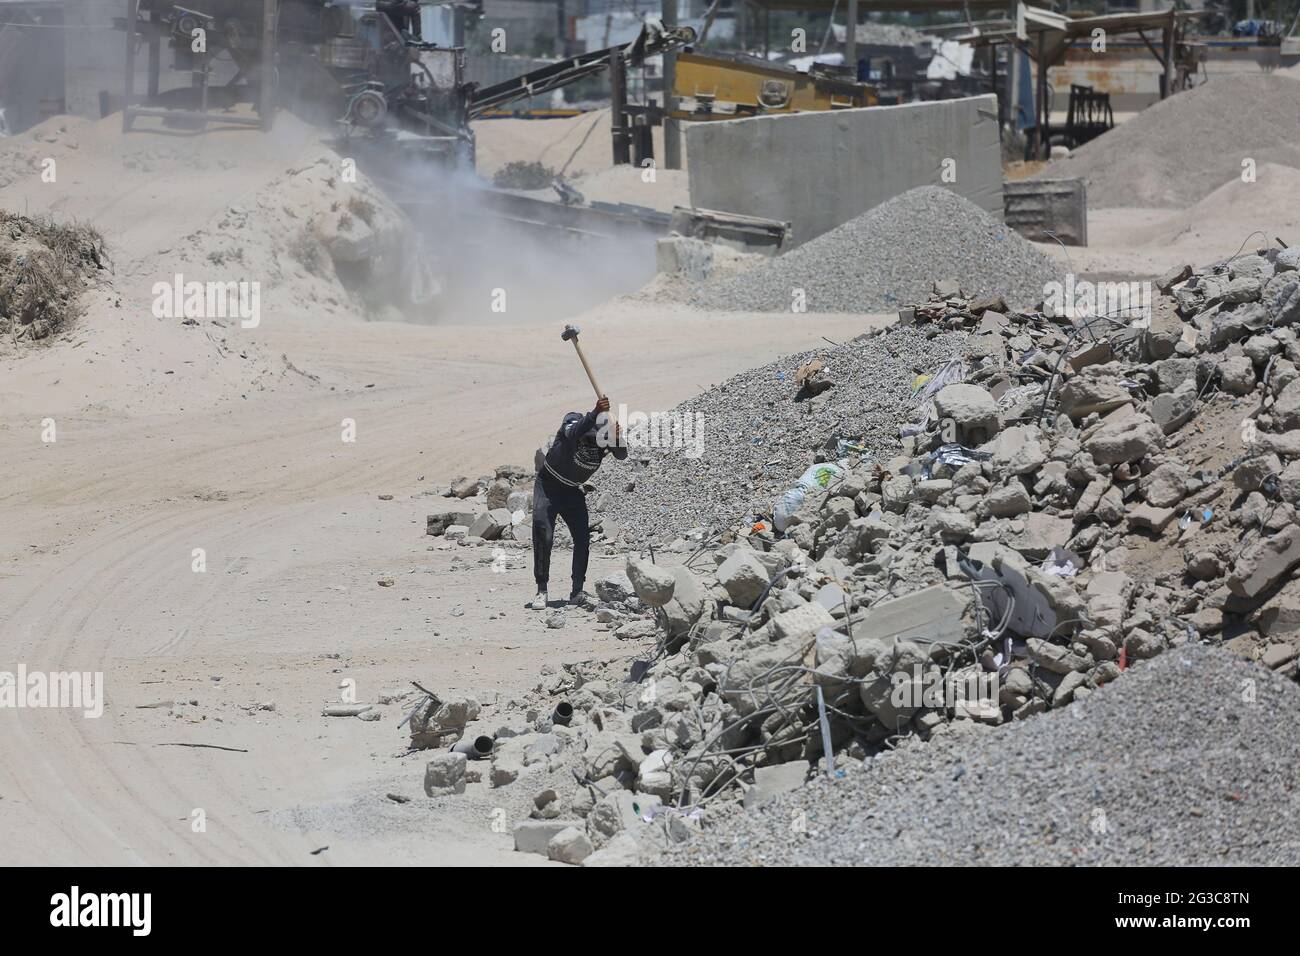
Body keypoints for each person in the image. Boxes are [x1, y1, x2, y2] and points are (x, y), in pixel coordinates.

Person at [530, 396, 626, 609]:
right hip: (549, 485)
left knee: (582, 539)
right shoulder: (574, 420)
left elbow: (622, 455)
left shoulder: (607, 439)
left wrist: (618, 438)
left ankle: (576, 592)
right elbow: (573, 432)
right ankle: (542, 590)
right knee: (543, 534)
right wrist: (594, 413)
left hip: (573, 490)